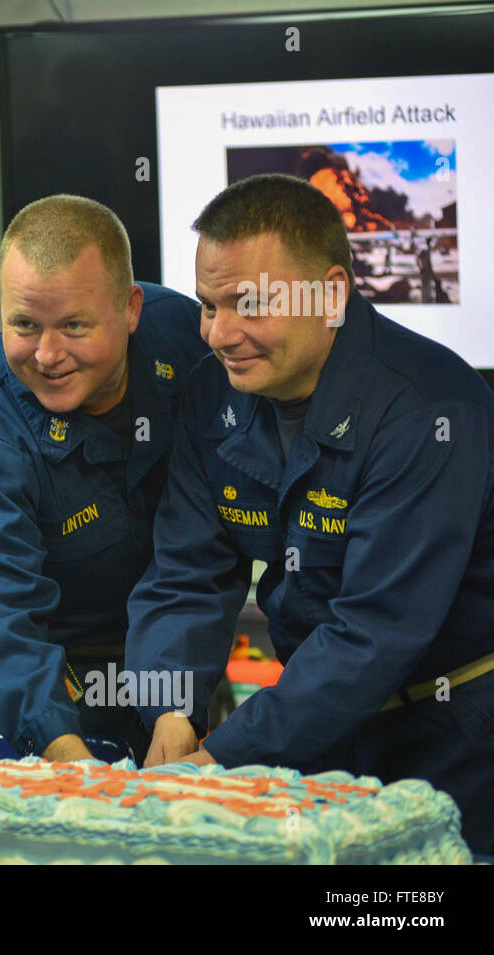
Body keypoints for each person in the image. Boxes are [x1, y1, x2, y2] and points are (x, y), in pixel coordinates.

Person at [126, 173, 494, 854]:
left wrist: (222, 758)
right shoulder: (213, 399)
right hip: (320, 734)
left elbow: (374, 631)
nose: (218, 333)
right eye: (208, 305)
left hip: (457, 739)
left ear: (329, 293)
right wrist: (170, 708)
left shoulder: (429, 412)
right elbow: (185, 573)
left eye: (249, 304)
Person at [0, 195, 209, 763]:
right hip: (28, 700)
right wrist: (75, 772)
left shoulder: (184, 336)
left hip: (163, 671)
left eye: (74, 325)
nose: (48, 354)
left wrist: (177, 708)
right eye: (24, 325)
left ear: (130, 309)